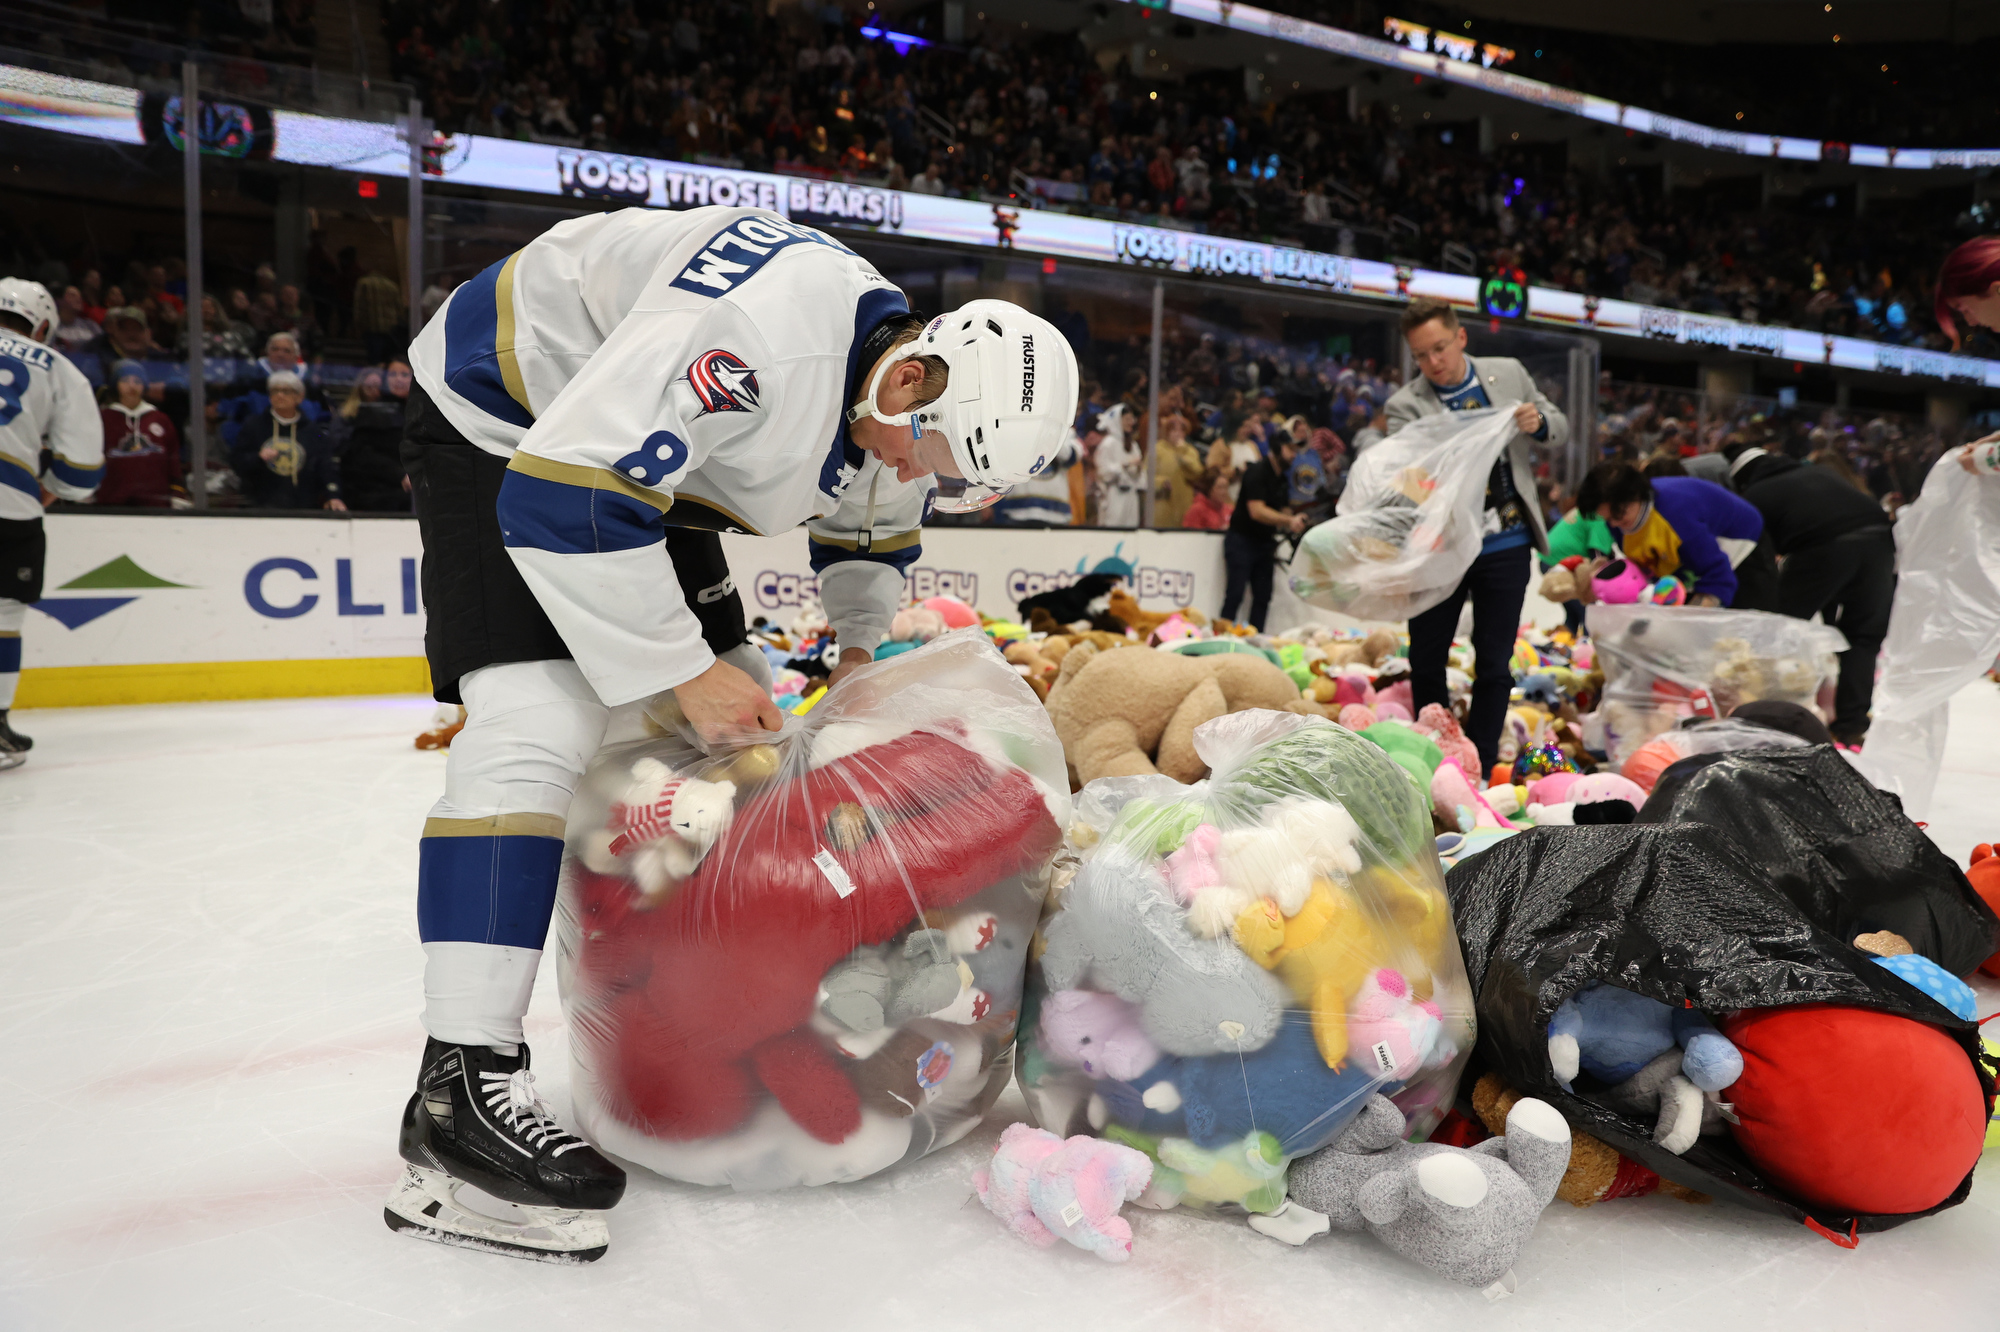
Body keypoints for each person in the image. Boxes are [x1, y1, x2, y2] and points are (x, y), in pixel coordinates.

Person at [392, 205, 1078, 1262]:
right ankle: (458, 1091)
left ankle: (681, 1000)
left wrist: (856, 653)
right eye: (933, 454)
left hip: (621, 462)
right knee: (537, 716)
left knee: (731, 722)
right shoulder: (756, 341)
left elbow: (869, 515)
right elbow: (561, 497)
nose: (923, 473)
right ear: (910, 382)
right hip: (512, 429)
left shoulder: (890, 376)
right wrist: (678, 669)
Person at [1386, 297, 1568, 775]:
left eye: (1440, 348)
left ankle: (1482, 767)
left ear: (1461, 337)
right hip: (1439, 550)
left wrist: (1539, 421)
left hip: (1505, 544)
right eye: (1421, 355)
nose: (1433, 363)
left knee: (1494, 664)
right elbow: (1401, 479)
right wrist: (1418, 478)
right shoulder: (1404, 406)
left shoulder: (1507, 373)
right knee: (1426, 660)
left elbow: (1558, 426)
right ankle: (1430, 762)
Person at [1723, 439, 1894, 746]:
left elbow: (1758, 565)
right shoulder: (1819, 474)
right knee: (1864, 637)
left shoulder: (1755, 495)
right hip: (1880, 542)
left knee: (1777, 631)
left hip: (1824, 548)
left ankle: (1764, 712)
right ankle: (1851, 725)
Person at [0, 280, 103, 769]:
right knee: (3, 619)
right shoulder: (58, 368)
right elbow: (81, 470)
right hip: (9, 506)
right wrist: (53, 488)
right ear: (41, 327)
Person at [1573, 461, 1763, 607]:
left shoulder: (1676, 516)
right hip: (1690, 555)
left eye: (1619, 516)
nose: (1614, 524)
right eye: (1607, 519)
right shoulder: (1619, 521)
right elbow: (1648, 569)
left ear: (1637, 496)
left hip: (1741, 542)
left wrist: (1697, 611)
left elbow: (1717, 573)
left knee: (1742, 620)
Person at [1221, 429, 1304, 630]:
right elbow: (1256, 511)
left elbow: (1282, 510)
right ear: (1277, 448)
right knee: (1235, 594)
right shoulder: (1256, 472)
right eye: (1289, 449)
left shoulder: (1282, 479)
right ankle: (1220, 637)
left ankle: (1255, 639)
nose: (1294, 454)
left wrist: (1297, 518)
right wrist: (1288, 520)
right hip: (1242, 540)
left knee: (1263, 597)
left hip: (1264, 544)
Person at [230, 371, 344, 511]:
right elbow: (237, 462)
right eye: (275, 391)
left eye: (286, 391)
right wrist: (258, 458)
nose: (279, 395)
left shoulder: (314, 432)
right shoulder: (253, 426)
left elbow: (325, 466)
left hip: (302, 507)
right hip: (259, 506)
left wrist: (332, 495)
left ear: (300, 397)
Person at [97, 360, 186, 507]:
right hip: (111, 502)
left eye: (137, 381)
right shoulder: (104, 419)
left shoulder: (160, 419)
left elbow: (174, 459)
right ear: (115, 384)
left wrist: (177, 492)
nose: (132, 386)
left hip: (156, 502)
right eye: (125, 380)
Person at [336, 361, 413, 511]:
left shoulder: (420, 411)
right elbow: (362, 454)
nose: (398, 379)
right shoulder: (372, 411)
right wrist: (400, 474)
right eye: (392, 374)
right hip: (376, 496)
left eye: (404, 374)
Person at [1150, 410, 1204, 528]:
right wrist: (1161, 482)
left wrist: (1182, 454)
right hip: (1163, 502)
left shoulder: (1190, 451)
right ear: (1167, 432)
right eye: (1174, 430)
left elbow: (1197, 472)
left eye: (1181, 430)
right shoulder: (1157, 449)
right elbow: (1146, 475)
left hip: (1184, 501)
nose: (1178, 434)